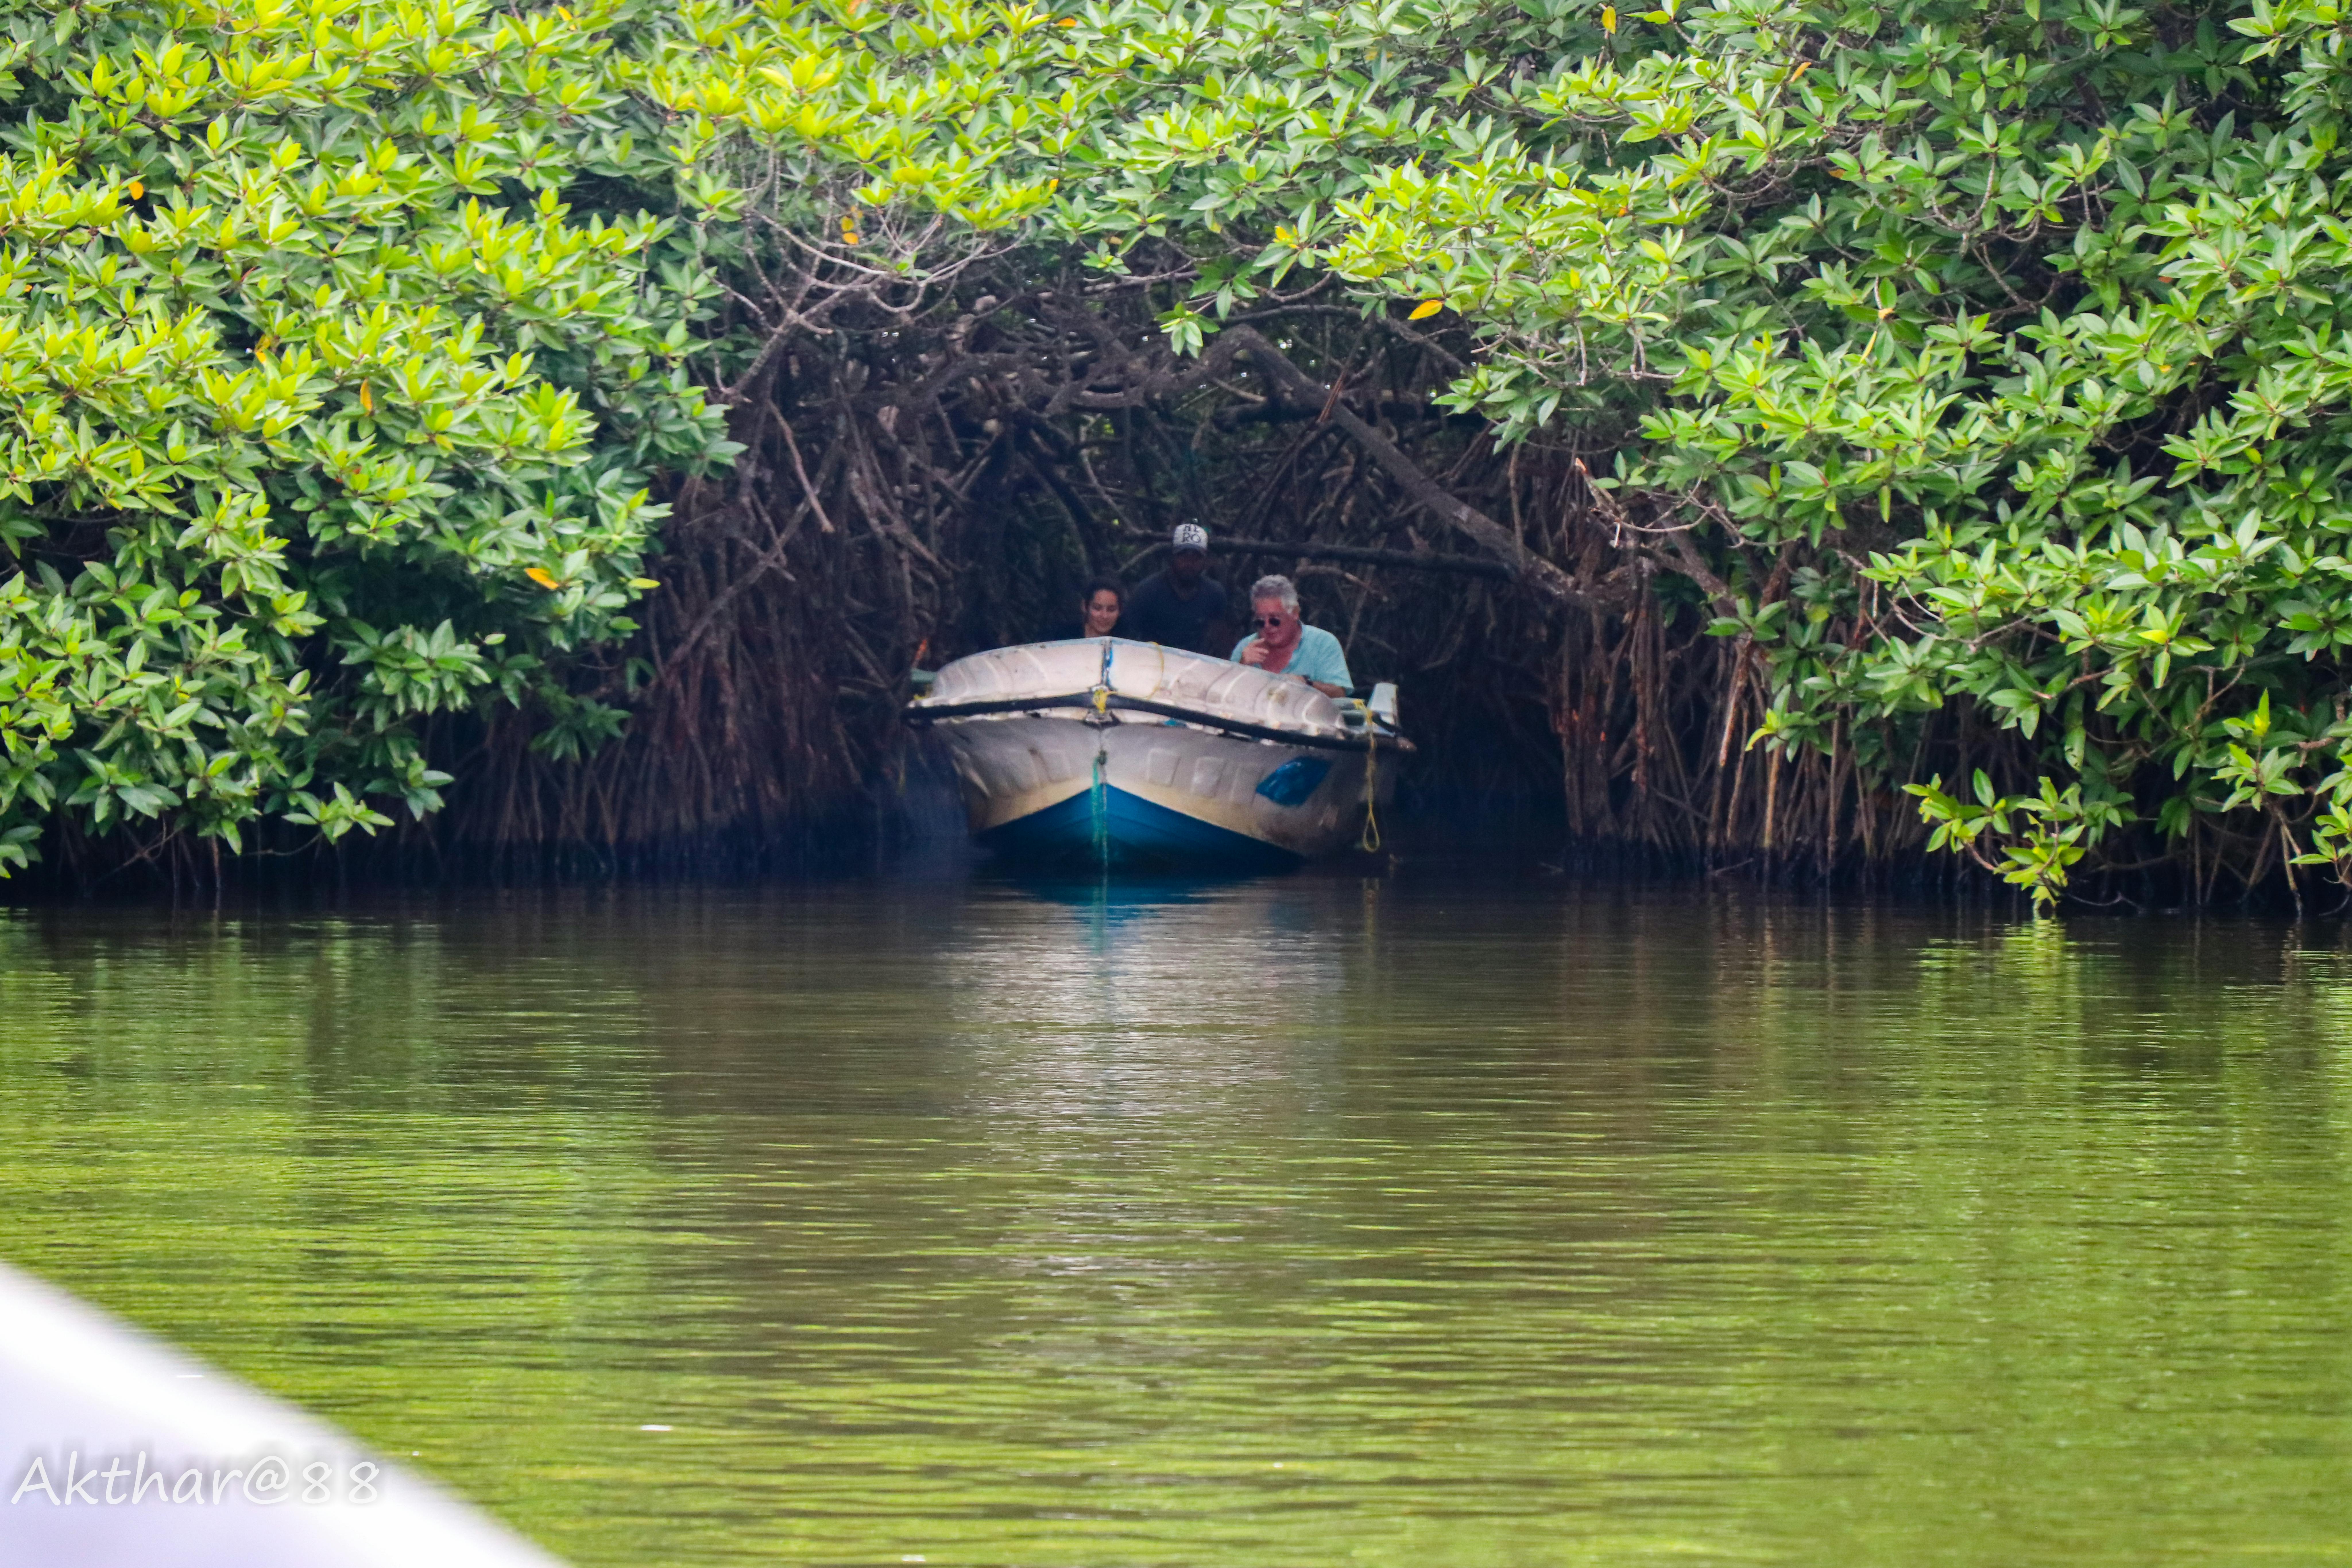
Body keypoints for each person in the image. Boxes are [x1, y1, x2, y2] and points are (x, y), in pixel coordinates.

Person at [1231, 575, 1351, 696]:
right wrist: (1243, 667)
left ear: (1295, 613)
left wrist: (1306, 684)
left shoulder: (1323, 643)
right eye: (1260, 621)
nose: (1267, 626)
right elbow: (1228, 697)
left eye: (1275, 620)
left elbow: (1340, 693)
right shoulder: (1246, 648)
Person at [1122, 523, 1231, 654]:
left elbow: (1221, 641)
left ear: (1206, 560)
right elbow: (1128, 638)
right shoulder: (1147, 592)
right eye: (1183, 555)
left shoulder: (1215, 594)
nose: (1189, 563)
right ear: (1171, 556)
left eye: (1196, 557)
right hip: (1155, 664)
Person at [1051, 577, 1128, 640]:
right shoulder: (1064, 637)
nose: (1105, 616)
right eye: (1097, 608)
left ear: (1120, 611)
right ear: (1085, 607)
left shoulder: (1127, 642)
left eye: (1111, 610)